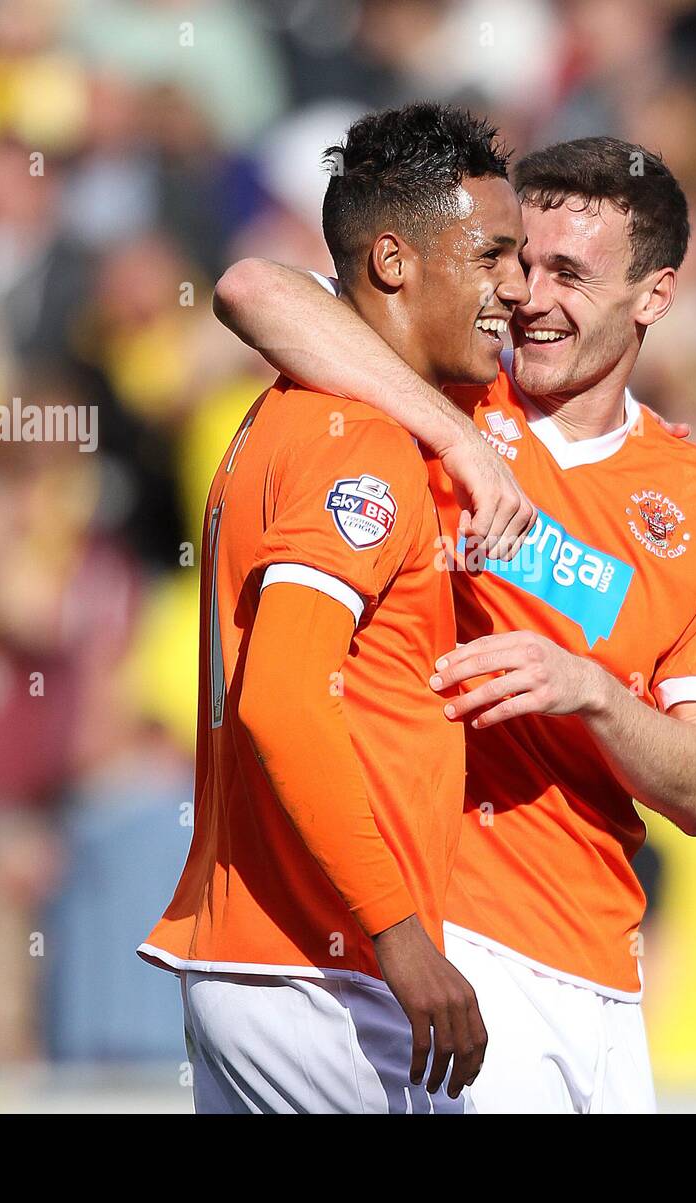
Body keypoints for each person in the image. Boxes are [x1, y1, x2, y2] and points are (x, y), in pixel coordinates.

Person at [215, 135, 696, 1114]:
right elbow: (253, 287)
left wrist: (592, 693)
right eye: (516, 259)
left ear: (654, 295)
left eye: (569, 272)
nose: (527, 295)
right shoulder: (441, 380)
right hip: (455, 942)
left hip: (606, 960)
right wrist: (457, 436)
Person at [138, 103, 530, 1113]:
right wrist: (399, 936)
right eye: (492, 255)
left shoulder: (315, 408)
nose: (516, 290)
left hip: (282, 960)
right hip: (326, 970)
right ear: (395, 263)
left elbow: (270, 289)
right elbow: (280, 698)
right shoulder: (357, 447)